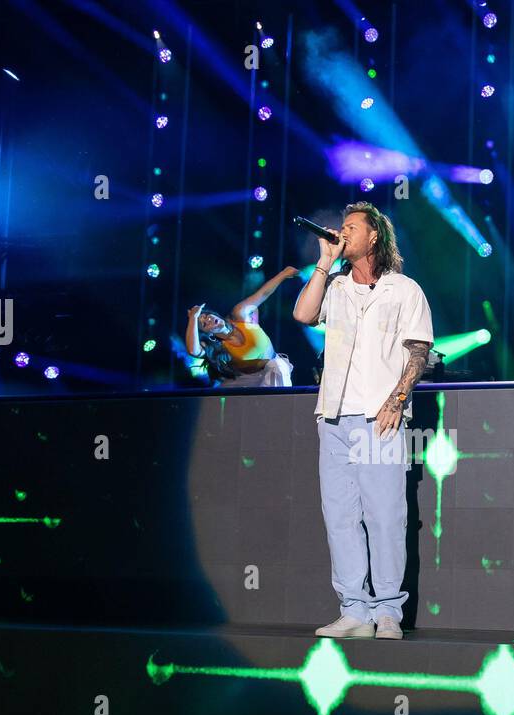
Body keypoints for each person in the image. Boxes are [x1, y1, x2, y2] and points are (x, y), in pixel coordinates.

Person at [292, 202, 433, 641]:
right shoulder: (335, 286)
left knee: (385, 517)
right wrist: (324, 262)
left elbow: (419, 350)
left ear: (374, 236)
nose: (342, 232)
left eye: (352, 227)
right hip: (334, 416)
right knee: (340, 517)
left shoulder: (403, 289)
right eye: (342, 226)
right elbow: (303, 315)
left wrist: (398, 399)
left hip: (378, 418)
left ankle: (388, 611)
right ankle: (354, 610)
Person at [185, 267, 296, 387]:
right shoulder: (217, 347)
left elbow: (262, 294)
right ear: (209, 334)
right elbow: (193, 351)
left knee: (277, 366)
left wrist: (284, 274)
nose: (209, 319)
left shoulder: (240, 315)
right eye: (204, 324)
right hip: (246, 379)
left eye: (207, 316)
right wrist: (193, 317)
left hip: (273, 370)